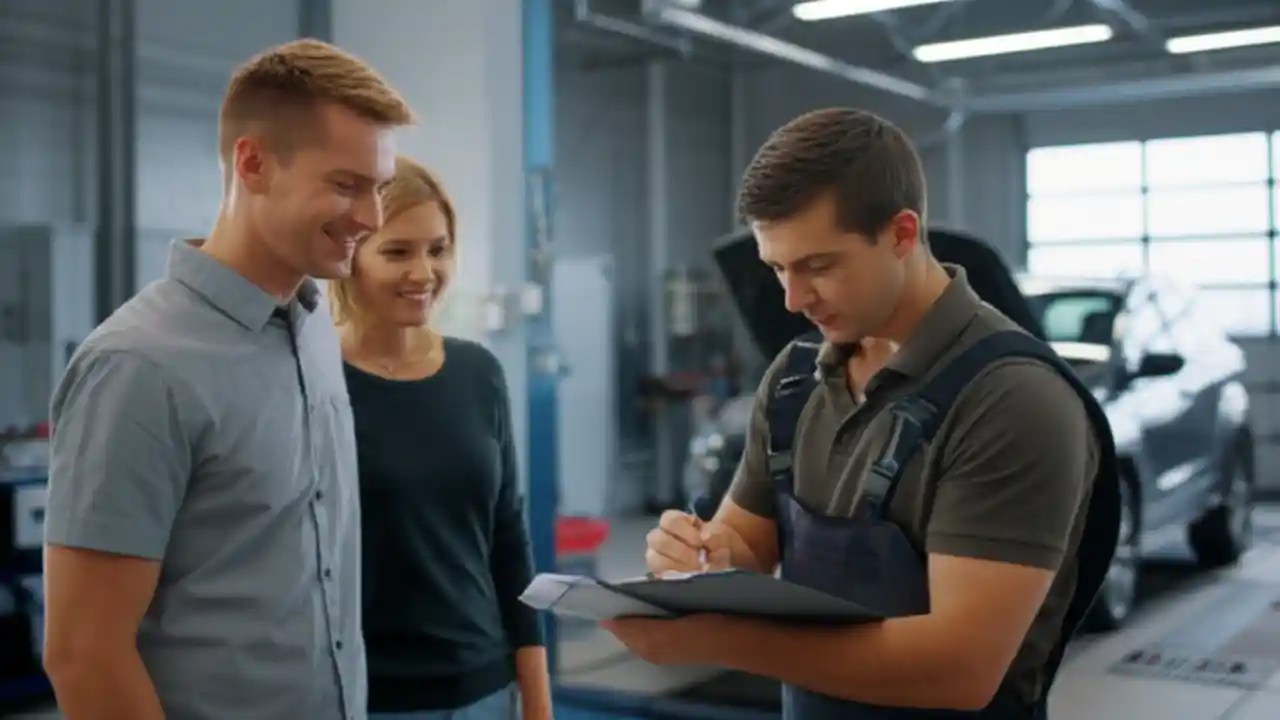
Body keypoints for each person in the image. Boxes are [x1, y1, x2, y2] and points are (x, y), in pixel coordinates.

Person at [606, 108, 1119, 719]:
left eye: (818, 266)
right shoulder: (797, 379)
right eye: (777, 269)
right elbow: (745, 540)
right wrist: (700, 558)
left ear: (902, 234)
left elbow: (958, 670)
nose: (794, 300)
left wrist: (718, 639)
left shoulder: (1012, 399)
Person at [42, 39, 413, 720]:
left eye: (379, 189)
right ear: (252, 163)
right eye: (346, 185)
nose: (371, 218)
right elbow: (82, 653)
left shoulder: (312, 330)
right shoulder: (139, 366)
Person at [328, 156, 552, 720]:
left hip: (484, 688)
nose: (424, 272)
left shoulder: (479, 373)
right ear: (351, 256)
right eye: (398, 251)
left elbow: (508, 539)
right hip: (366, 696)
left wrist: (538, 697)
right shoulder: (311, 377)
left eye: (438, 248)